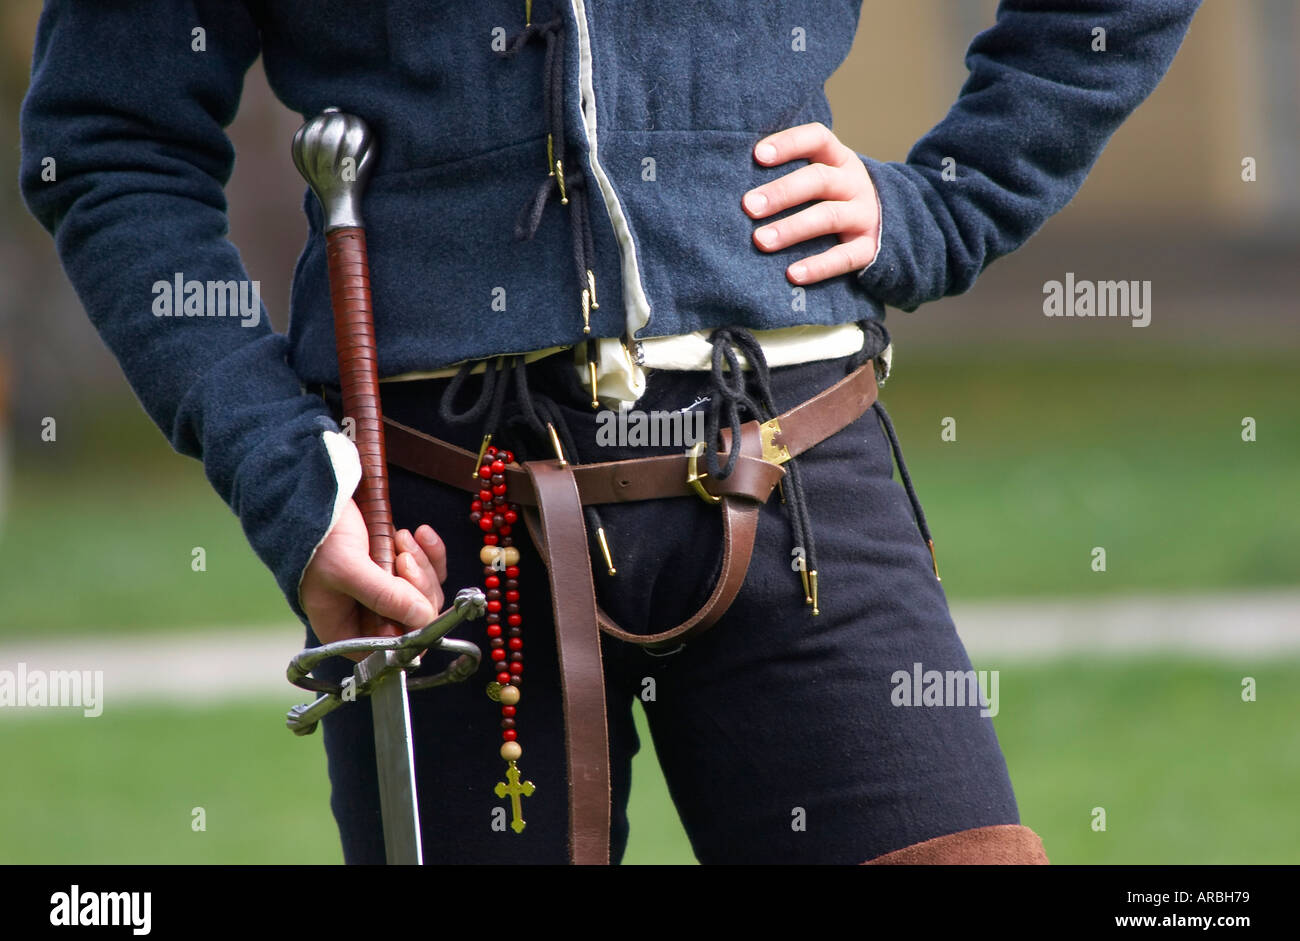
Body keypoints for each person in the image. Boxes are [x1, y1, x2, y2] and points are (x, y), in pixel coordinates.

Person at [21, 1, 1200, 864]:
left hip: (790, 465)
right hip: (433, 533)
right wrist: (284, 468)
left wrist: (947, 199)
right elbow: (109, 141)